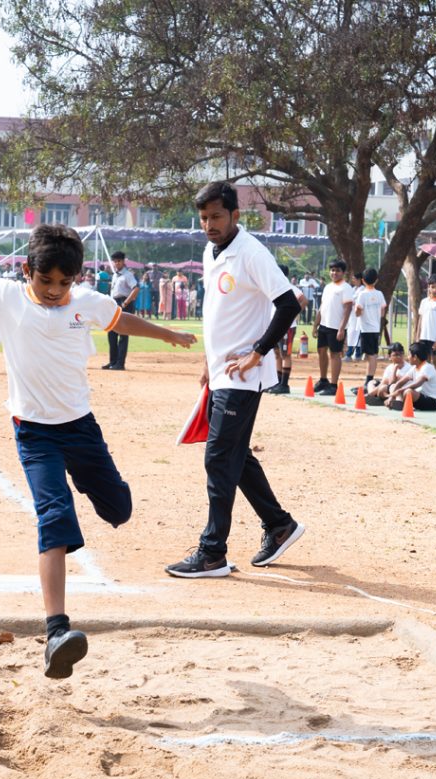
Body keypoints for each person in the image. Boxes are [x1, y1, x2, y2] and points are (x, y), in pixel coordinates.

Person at [0, 216, 194, 678]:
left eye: (64, 283)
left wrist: (169, 334)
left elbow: (120, 320)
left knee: (119, 510)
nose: (54, 290)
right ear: (27, 271)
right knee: (54, 517)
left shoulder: (85, 302)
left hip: (81, 429)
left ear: (76, 279)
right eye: (45, 281)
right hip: (35, 434)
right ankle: (57, 633)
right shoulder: (6, 296)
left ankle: (96, 487)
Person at [166, 181, 305, 579]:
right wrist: (208, 363)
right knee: (235, 455)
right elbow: (219, 312)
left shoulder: (251, 252)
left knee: (219, 456)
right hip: (221, 374)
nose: (209, 225)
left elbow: (289, 304)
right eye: (203, 218)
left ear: (235, 215)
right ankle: (279, 526)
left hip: (243, 376)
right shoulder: (212, 251)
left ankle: (212, 553)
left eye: (216, 217)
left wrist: (257, 352)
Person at [314, 259, 353, 395]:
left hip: (336, 327)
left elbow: (348, 308)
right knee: (321, 351)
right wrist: (316, 325)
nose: (334, 273)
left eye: (337, 270)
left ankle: (333, 385)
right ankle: (323, 380)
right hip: (324, 325)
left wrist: (341, 328)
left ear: (343, 272)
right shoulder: (327, 287)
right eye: (332, 270)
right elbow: (322, 307)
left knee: (335, 354)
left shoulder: (346, 288)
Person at [352, 267, 390, 387]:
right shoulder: (379, 294)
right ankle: (369, 378)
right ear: (376, 280)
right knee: (371, 354)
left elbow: (358, 312)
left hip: (366, 328)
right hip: (375, 328)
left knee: (371, 355)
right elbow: (383, 310)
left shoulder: (362, 295)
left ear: (363, 280)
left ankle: (369, 379)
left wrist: (357, 311)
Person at [386, 339, 436, 411]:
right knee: (393, 386)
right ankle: (398, 403)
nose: (408, 357)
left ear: (415, 357)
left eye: (409, 355)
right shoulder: (414, 368)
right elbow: (400, 383)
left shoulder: (427, 367)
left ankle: (401, 404)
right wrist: (391, 397)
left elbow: (417, 383)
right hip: (421, 398)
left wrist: (400, 390)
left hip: (433, 402)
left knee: (408, 391)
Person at [104, 251, 139, 370]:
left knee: (123, 334)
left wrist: (125, 303)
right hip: (114, 303)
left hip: (124, 303)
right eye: (115, 261)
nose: (116, 263)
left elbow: (136, 288)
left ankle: (120, 363)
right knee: (111, 333)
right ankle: (112, 361)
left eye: (119, 261)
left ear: (123, 261)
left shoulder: (128, 275)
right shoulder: (115, 275)